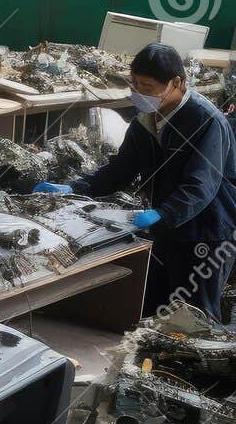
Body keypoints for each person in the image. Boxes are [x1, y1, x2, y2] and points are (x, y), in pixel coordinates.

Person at [34, 42, 236, 320]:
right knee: (154, 306)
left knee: (194, 315)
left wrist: (164, 212)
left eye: (147, 87)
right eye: (135, 85)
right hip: (165, 228)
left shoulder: (207, 121)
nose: (139, 93)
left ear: (176, 83)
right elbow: (120, 170)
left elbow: (202, 185)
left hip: (206, 232)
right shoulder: (146, 120)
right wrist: (74, 187)